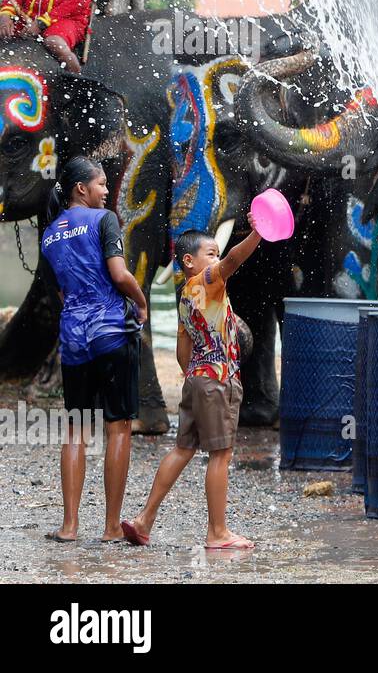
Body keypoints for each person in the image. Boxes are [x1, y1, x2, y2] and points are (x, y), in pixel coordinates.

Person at [122, 226, 262, 551]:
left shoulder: (185, 295)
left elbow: (182, 349)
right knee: (221, 454)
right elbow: (233, 260)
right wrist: (258, 233)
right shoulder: (209, 280)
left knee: (183, 449)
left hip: (196, 380)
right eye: (209, 254)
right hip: (217, 380)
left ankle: (144, 520)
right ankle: (218, 533)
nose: (215, 260)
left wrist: (194, 378)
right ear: (189, 261)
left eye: (215, 254)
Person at [37, 157, 148, 543]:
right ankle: (111, 527)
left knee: (76, 430)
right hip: (111, 332)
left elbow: (64, 292)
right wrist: (141, 302)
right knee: (118, 427)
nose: (106, 190)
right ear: (81, 188)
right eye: (101, 184)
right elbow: (119, 274)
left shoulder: (49, 234)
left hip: (73, 339)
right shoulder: (105, 220)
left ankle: (69, 526)